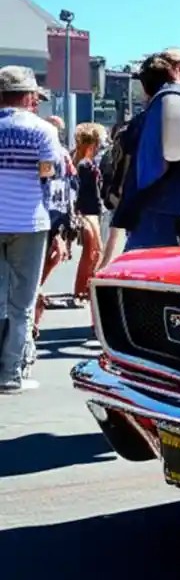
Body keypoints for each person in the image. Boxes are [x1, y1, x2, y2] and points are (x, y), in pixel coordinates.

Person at [113, 52, 180, 250]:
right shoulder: (174, 99)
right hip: (175, 212)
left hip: (162, 213)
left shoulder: (163, 103)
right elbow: (176, 152)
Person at [0, 66, 60, 392]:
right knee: (22, 302)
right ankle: (10, 375)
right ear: (28, 96)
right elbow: (48, 176)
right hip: (29, 222)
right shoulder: (43, 131)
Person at [72, 123, 107, 300]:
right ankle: (82, 289)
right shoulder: (84, 165)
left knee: (92, 251)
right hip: (87, 210)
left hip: (89, 209)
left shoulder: (82, 162)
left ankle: (83, 288)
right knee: (95, 250)